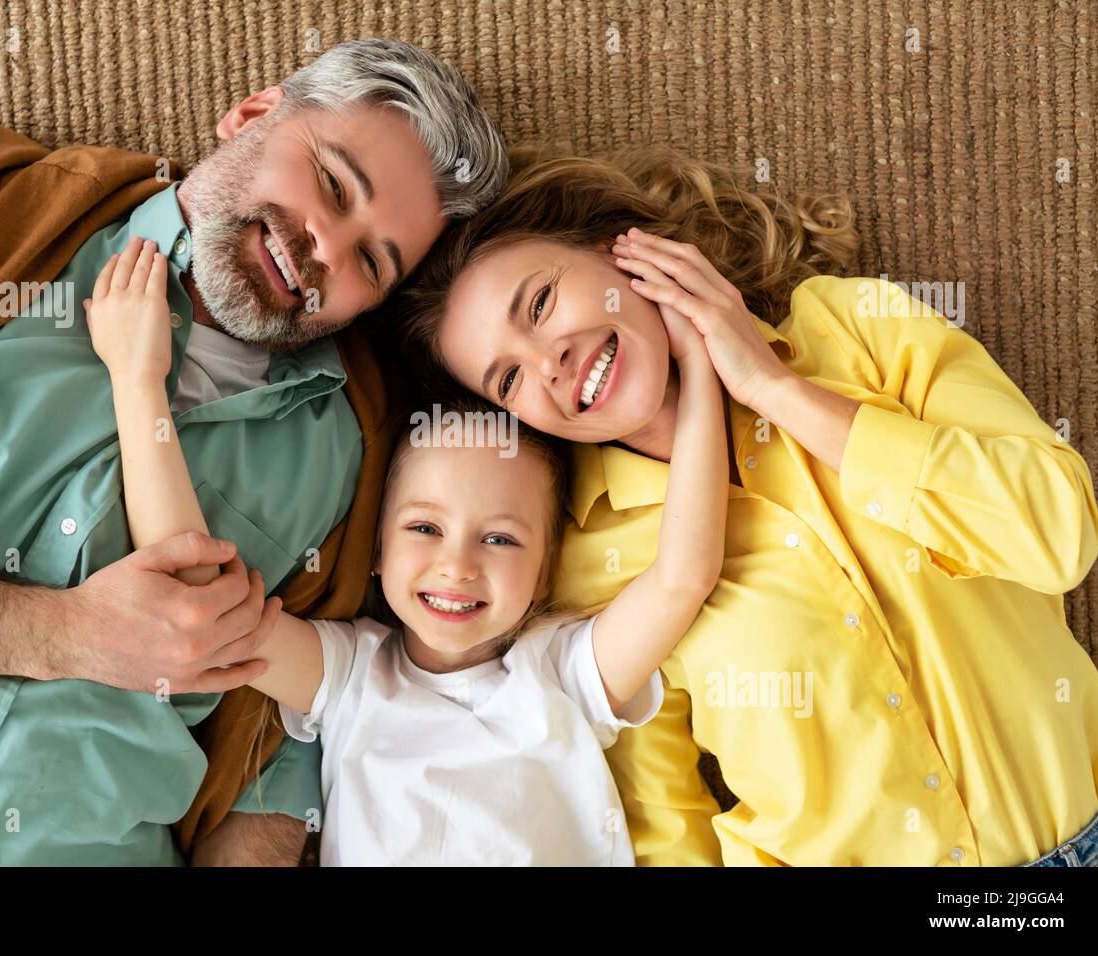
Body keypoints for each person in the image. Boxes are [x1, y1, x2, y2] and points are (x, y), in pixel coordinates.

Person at [0, 38, 507, 866]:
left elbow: (294, 751)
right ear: (252, 113)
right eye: (330, 183)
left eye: (369, 261)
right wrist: (62, 634)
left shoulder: (356, 457)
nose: (322, 246)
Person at [393, 146, 1098, 866]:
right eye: (509, 377)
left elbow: (1058, 535)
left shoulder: (853, 329)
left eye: (541, 304)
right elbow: (662, 826)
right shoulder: (589, 560)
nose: (547, 362)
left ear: (623, 253)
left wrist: (774, 388)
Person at [81, 229, 730, 864]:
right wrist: (138, 385)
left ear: (543, 574)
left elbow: (682, 576)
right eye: (424, 528)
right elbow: (200, 597)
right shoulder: (351, 678)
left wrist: (700, 362)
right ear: (378, 551)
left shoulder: (563, 677)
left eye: (501, 538)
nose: (457, 566)